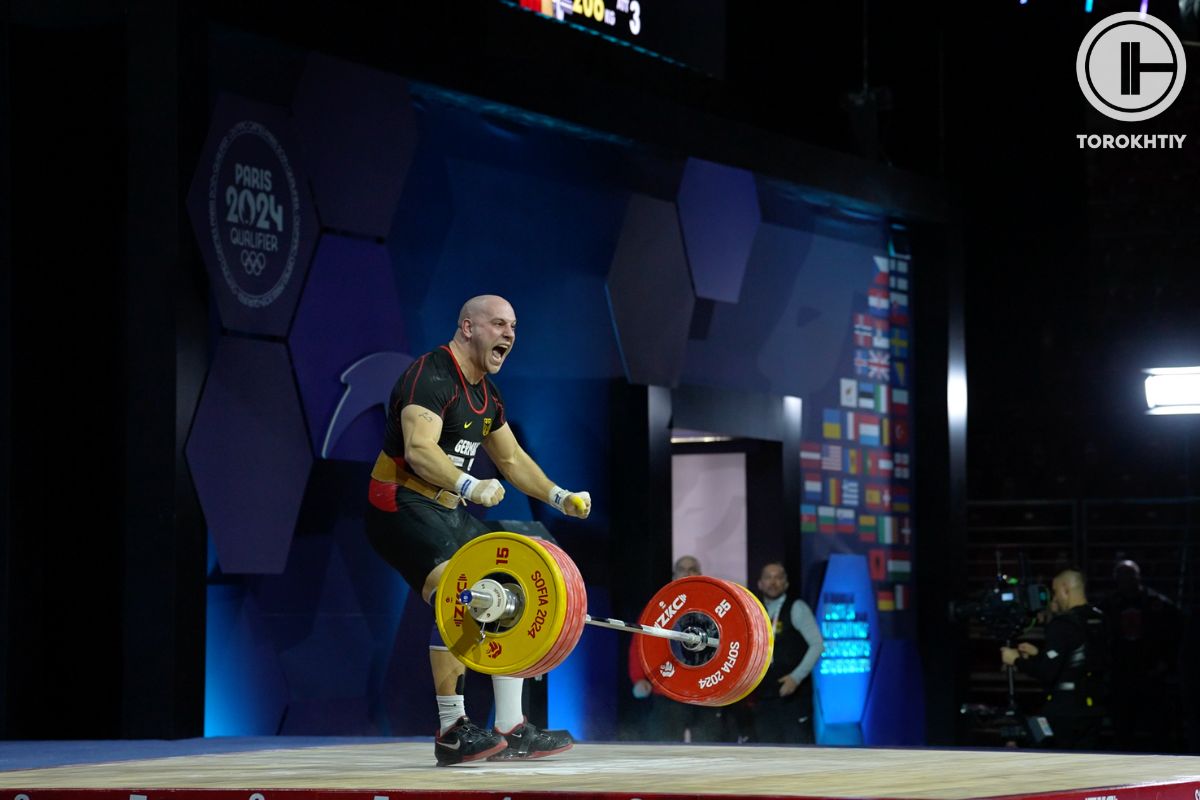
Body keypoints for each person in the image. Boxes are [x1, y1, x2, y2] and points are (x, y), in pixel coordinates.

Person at [364, 295, 593, 766]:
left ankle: (511, 727)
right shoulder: (430, 376)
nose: (509, 334)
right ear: (467, 328)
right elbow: (420, 449)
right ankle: (451, 730)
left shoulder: (487, 394)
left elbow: (511, 460)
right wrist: (470, 483)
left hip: (447, 509)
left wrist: (558, 496)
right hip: (398, 504)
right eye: (498, 324)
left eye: (513, 325)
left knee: (512, 589)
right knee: (462, 593)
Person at [1001, 569, 1108, 750]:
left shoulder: (1063, 624)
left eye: (1055, 591)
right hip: (1095, 709)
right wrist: (1039, 655)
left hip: (1064, 713)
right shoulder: (1102, 619)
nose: (1053, 598)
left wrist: (1016, 660)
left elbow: (1047, 672)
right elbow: (1078, 657)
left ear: (1065, 589)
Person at [627, 555, 730, 742]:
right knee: (663, 751)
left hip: (704, 691)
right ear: (674, 576)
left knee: (710, 751)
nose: (688, 573)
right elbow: (640, 643)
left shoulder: (714, 603)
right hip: (668, 690)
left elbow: (730, 643)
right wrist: (639, 679)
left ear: (699, 574)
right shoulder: (660, 605)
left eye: (692, 569)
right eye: (683, 569)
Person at [737, 562, 824, 744]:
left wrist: (796, 677)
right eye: (768, 577)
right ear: (760, 583)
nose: (773, 582)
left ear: (786, 583)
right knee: (766, 752)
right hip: (763, 696)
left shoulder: (797, 607)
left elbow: (817, 645)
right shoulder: (753, 610)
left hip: (792, 696)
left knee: (797, 752)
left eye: (778, 577)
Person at [1099, 559, 1180, 752]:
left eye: (1130, 576)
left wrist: (1166, 662)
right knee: (1123, 728)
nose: (1126, 580)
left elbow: (1176, 634)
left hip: (1151, 674)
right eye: (1121, 576)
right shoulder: (1109, 605)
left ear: (1138, 577)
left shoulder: (1156, 603)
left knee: (1159, 728)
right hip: (1121, 675)